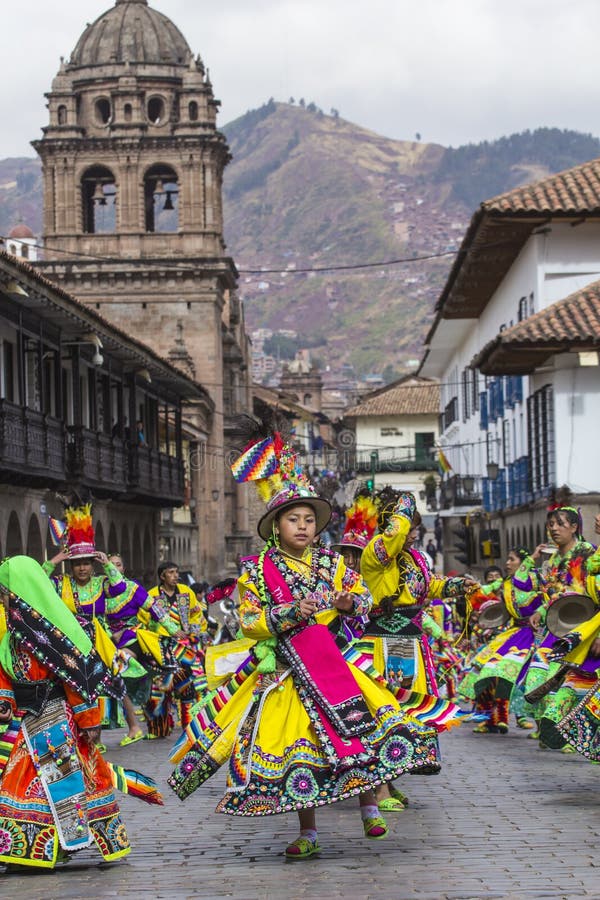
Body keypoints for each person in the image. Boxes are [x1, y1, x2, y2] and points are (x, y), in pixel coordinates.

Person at [168, 426, 440, 860]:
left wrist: (351, 602)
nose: (302, 525)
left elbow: (364, 597)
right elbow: (250, 621)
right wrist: (293, 611)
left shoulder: (332, 562)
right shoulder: (257, 571)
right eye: (293, 518)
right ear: (276, 526)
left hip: (333, 663)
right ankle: (308, 830)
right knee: (303, 750)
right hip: (287, 672)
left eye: (309, 519)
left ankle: (370, 805)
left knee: (358, 732)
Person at [0, 556, 132, 869]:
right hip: (24, 720)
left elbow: (75, 680)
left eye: (4, 591)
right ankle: (30, 849)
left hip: (56, 719)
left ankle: (39, 847)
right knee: (23, 782)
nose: (2, 598)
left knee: (70, 783)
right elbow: (5, 671)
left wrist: (88, 719)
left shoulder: (52, 635)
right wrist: (4, 700)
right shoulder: (12, 632)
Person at [43, 504, 147, 750]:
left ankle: (132, 726)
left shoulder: (101, 583)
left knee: (113, 682)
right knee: (78, 687)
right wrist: (56, 559)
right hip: (70, 641)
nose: (82, 568)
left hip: (98, 640)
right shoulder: (60, 583)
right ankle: (91, 736)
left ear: (93, 563)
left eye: (87, 563)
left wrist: (108, 565)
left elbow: (122, 588)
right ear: (71, 565)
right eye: (77, 563)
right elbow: (38, 580)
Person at [528, 505, 600, 750]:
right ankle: (549, 730)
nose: (554, 529)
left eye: (560, 523)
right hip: (556, 625)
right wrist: (540, 611)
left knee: (567, 680)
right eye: (551, 525)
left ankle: (566, 733)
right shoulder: (553, 559)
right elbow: (551, 594)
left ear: (574, 527)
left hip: (582, 625)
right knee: (537, 678)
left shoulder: (587, 552)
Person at [459, 548, 545, 734]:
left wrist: (531, 559)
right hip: (513, 633)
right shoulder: (505, 583)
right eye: (507, 559)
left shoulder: (533, 578)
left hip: (535, 634)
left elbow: (545, 597)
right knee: (484, 670)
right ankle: (490, 718)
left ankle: (540, 727)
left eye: (511, 559)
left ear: (522, 563)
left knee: (534, 679)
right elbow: (481, 594)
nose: (506, 563)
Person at [105, 553, 183, 744]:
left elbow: (154, 608)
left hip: (133, 637)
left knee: (120, 664)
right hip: (107, 640)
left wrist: (174, 630)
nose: (114, 568)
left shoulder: (133, 588)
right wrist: (108, 633)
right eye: (110, 564)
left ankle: (135, 724)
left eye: (118, 564)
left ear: (123, 568)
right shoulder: (99, 589)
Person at [142, 561, 208, 738]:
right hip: (161, 647)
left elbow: (197, 615)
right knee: (160, 687)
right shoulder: (152, 595)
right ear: (162, 576)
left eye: (176, 572)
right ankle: (159, 728)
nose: (175, 575)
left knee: (189, 684)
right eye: (171, 572)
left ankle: (190, 724)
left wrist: (193, 631)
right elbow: (143, 619)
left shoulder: (186, 592)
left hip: (184, 645)